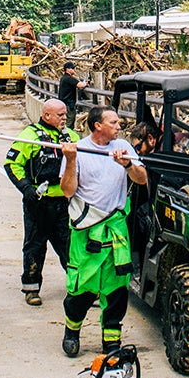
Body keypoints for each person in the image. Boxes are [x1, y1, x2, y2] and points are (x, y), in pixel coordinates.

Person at [58, 106, 147, 358]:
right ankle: (72, 331)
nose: (120, 126)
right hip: (87, 229)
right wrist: (71, 160)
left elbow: (142, 179)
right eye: (114, 122)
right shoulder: (78, 151)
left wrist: (128, 164)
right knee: (82, 287)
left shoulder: (124, 148)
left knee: (117, 288)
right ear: (98, 125)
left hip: (116, 229)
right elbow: (67, 191)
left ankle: (111, 340)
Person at [4, 98, 78, 305]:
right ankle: (31, 288)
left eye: (65, 114)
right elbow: (12, 164)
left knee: (70, 246)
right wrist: (26, 188)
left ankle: (78, 287)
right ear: (47, 116)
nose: (65, 118)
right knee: (35, 245)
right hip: (39, 203)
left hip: (63, 203)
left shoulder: (71, 137)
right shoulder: (30, 137)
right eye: (60, 115)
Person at [57, 61, 80, 129]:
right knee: (69, 123)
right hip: (69, 105)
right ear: (67, 69)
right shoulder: (69, 79)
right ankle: (67, 136)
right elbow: (80, 85)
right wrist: (86, 83)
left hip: (64, 104)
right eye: (72, 68)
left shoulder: (63, 78)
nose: (74, 70)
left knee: (66, 122)